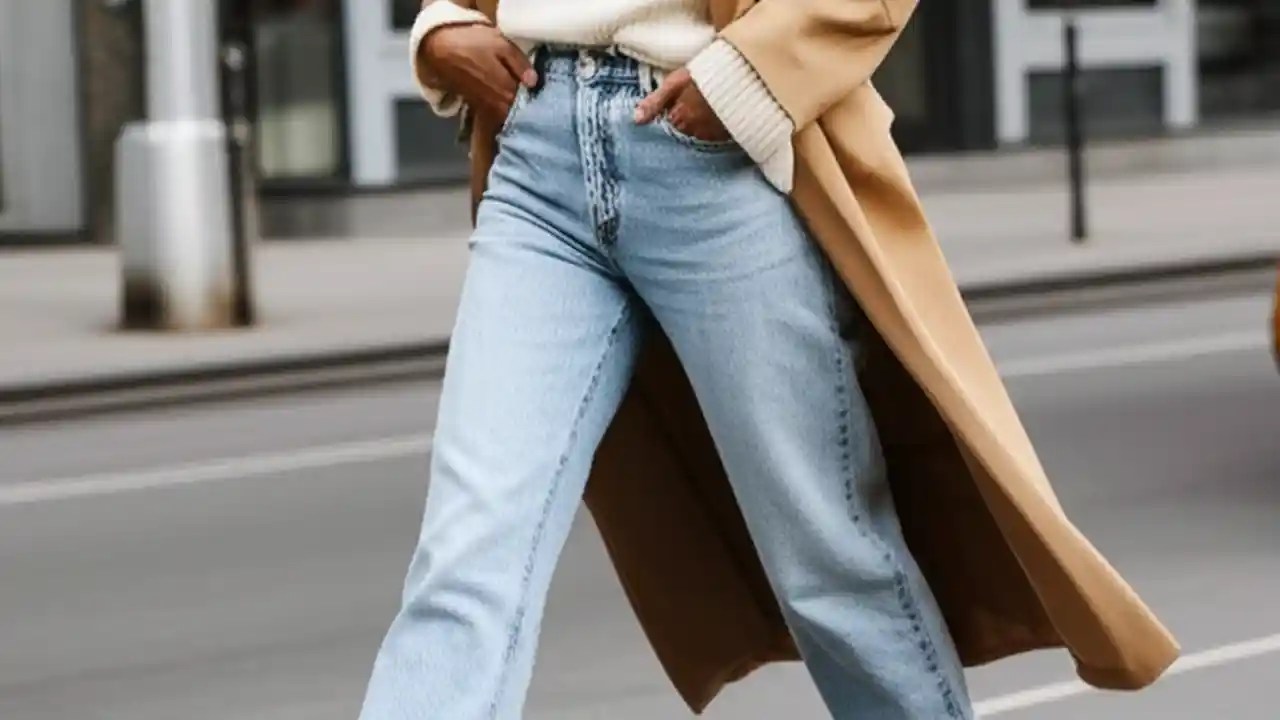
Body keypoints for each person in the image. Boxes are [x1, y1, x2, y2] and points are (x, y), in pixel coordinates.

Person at [359, 1, 1178, 718]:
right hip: (537, 157)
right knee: (464, 558)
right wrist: (440, 27)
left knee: (827, 561)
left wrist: (757, 70)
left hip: (713, 154)